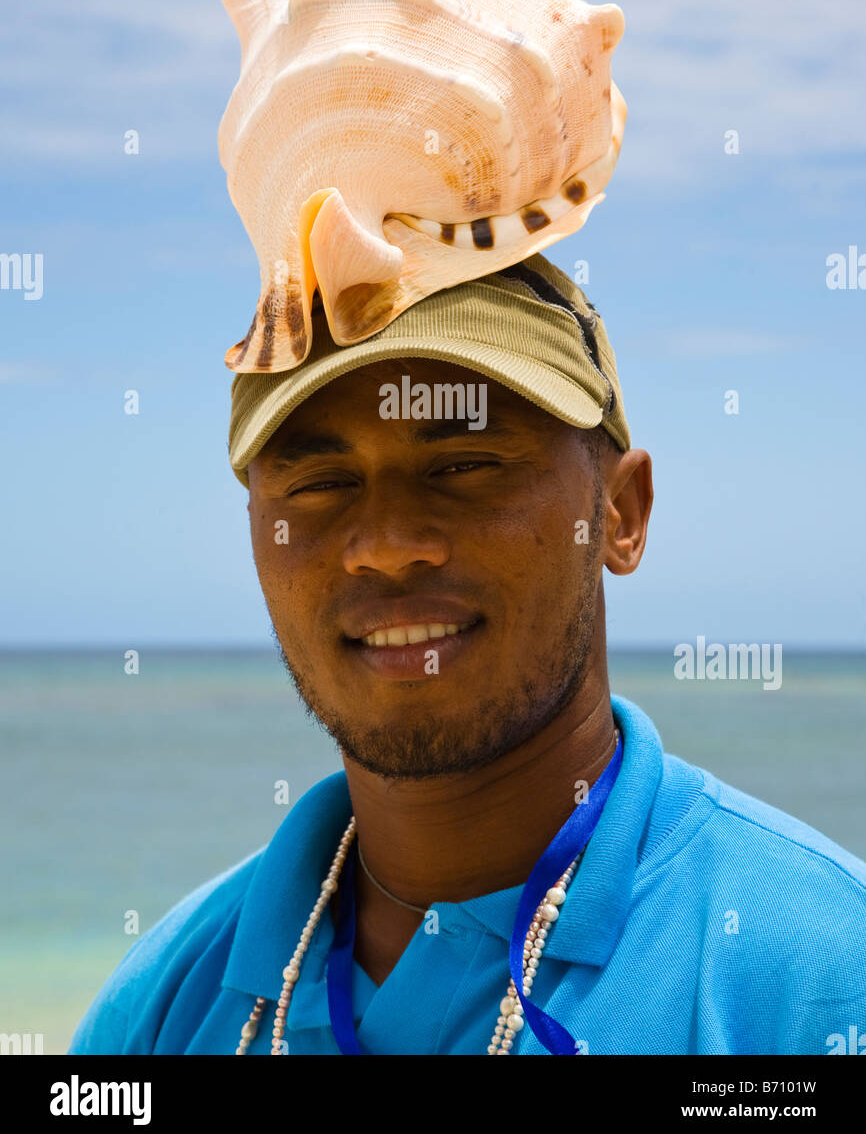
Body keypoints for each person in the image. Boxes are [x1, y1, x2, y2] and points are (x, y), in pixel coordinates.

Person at [68, 255, 866, 1056]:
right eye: (318, 482)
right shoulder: (168, 1002)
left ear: (620, 514)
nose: (384, 546)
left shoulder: (818, 974)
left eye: (462, 466)